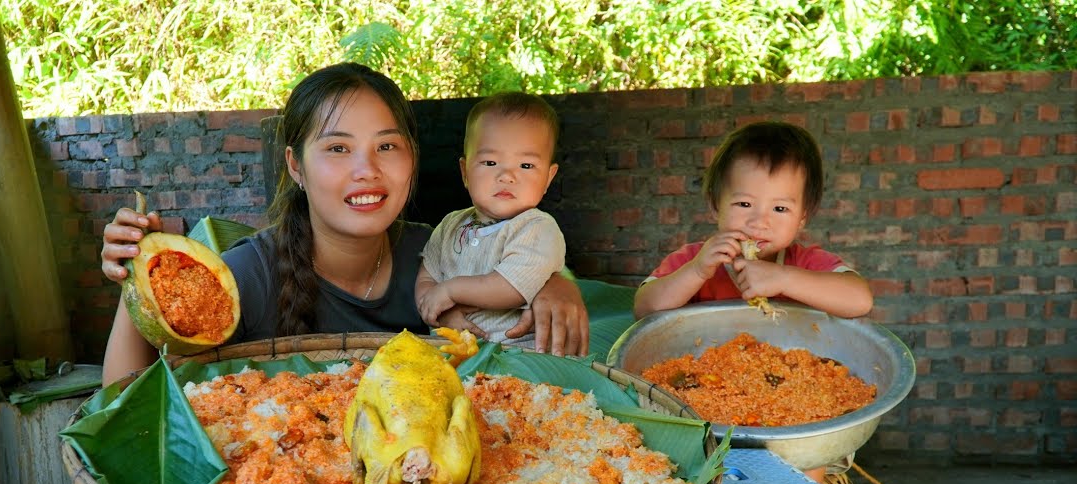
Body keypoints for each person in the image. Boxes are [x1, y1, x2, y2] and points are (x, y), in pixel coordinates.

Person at [99, 63, 589, 385]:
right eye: (337, 148)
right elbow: (122, 402)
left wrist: (554, 283)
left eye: (387, 146)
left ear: (411, 160)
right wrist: (136, 280)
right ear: (296, 166)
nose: (367, 169)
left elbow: (516, 264)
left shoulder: (442, 250)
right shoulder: (252, 273)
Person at [633, 121, 873, 320]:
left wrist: (784, 278)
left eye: (780, 208)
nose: (759, 222)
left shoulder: (805, 262)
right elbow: (644, 309)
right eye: (744, 204)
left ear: (802, 218)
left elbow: (860, 300)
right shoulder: (694, 259)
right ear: (716, 205)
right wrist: (696, 271)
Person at [414, 92, 565, 346]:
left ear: (548, 178)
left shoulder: (537, 228)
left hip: (517, 355)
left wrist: (450, 291)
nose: (507, 175)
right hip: (452, 353)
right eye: (491, 162)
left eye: (526, 166)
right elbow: (426, 280)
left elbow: (511, 288)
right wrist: (439, 311)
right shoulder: (450, 224)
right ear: (465, 172)